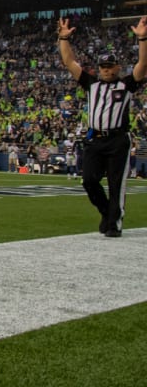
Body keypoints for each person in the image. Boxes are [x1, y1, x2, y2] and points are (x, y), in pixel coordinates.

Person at [57, 15, 147, 237]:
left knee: (117, 184)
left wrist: (143, 39)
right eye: (103, 67)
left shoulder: (126, 85)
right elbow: (69, 62)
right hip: (95, 138)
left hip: (117, 139)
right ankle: (107, 212)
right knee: (89, 180)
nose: (106, 70)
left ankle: (114, 224)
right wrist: (63, 38)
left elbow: (143, 65)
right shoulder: (92, 84)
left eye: (109, 66)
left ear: (117, 67)